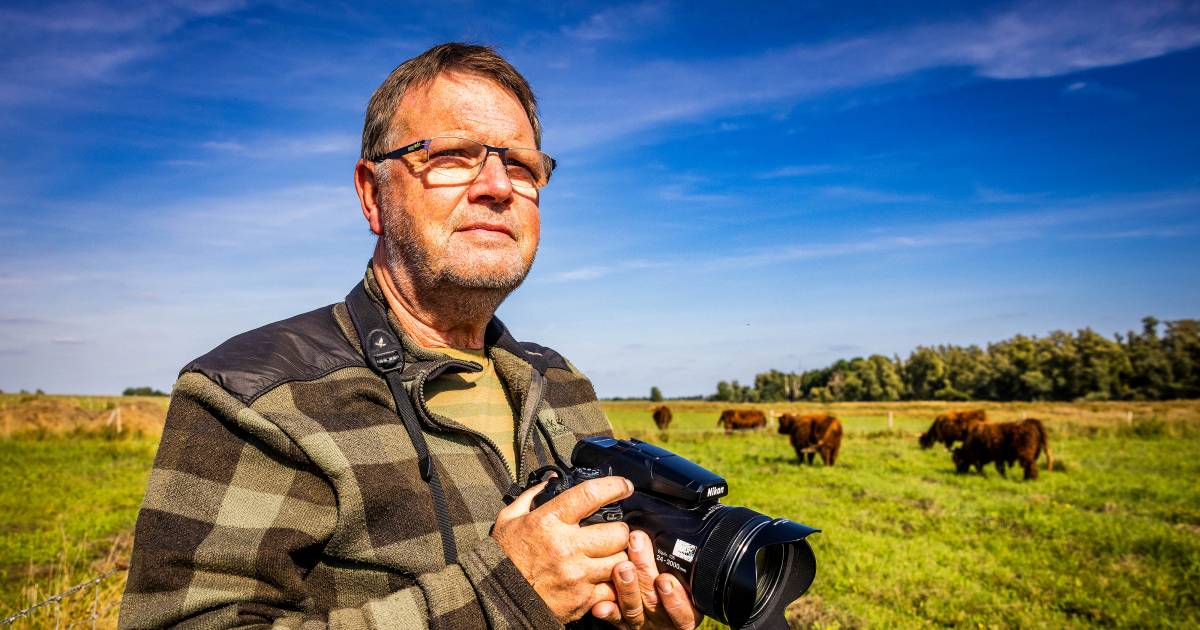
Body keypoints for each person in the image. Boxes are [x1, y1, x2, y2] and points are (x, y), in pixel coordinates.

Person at [119, 43, 700, 630]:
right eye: (451, 155)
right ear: (372, 194)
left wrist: (626, 611)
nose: (497, 186)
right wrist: (500, 597)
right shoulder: (258, 398)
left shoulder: (558, 382)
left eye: (522, 165)